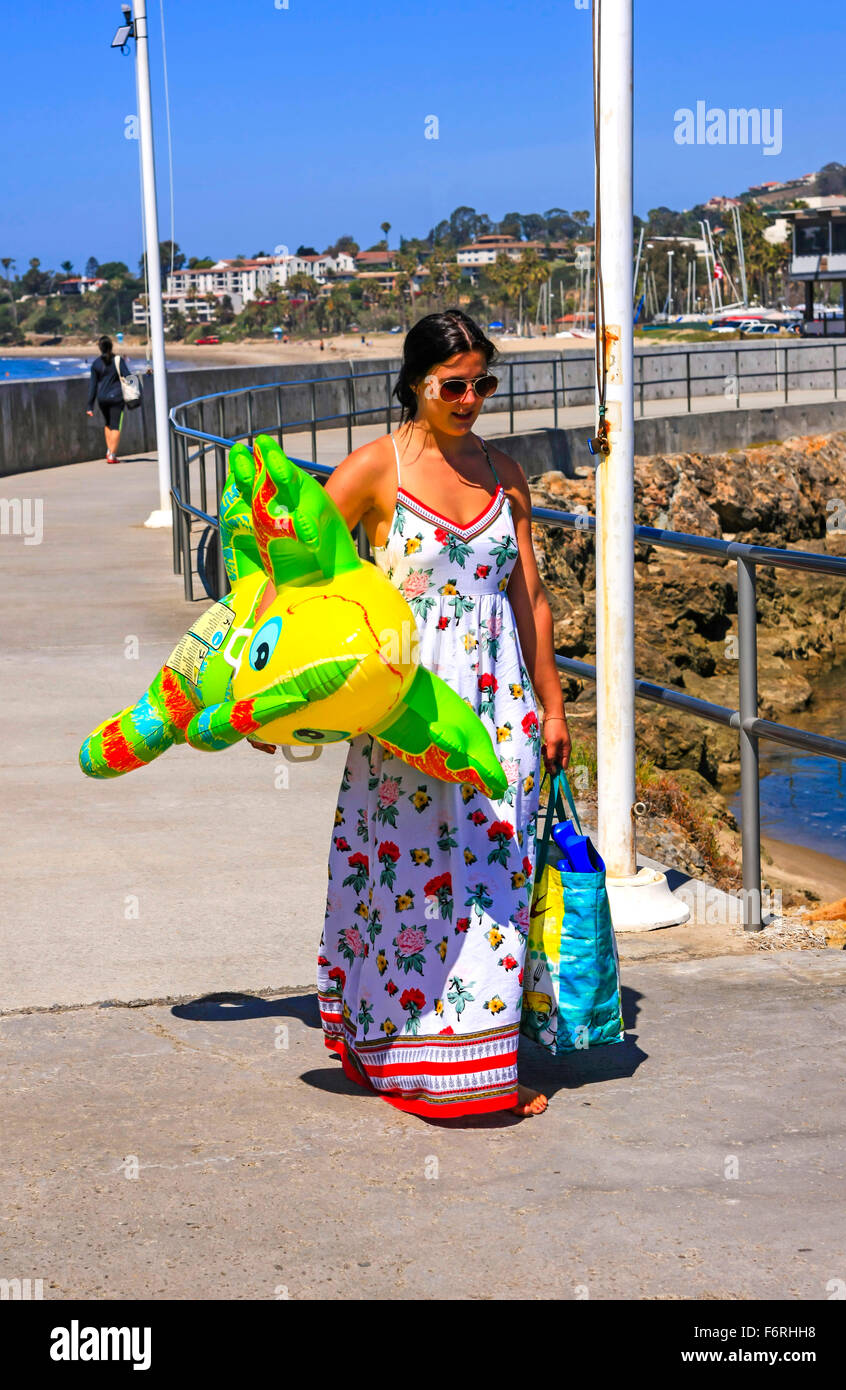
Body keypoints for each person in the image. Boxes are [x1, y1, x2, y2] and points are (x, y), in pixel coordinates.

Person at [253, 309, 570, 1118]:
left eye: (482, 384)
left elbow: (529, 596)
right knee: (410, 880)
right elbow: (297, 572)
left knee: (496, 877)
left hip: (501, 709)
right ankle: (402, 1048)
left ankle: (479, 1066)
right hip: (408, 708)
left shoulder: (507, 474)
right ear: (417, 385)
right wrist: (261, 686)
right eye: (454, 385)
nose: (471, 399)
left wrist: (554, 703)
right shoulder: (374, 468)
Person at [86, 335, 130, 463]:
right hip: (116, 398)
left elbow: (93, 386)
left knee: (108, 424)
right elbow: (127, 376)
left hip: (102, 398)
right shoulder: (118, 360)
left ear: (100, 348)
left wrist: (90, 406)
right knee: (116, 425)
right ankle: (112, 455)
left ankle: (109, 450)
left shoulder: (96, 364)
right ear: (111, 346)